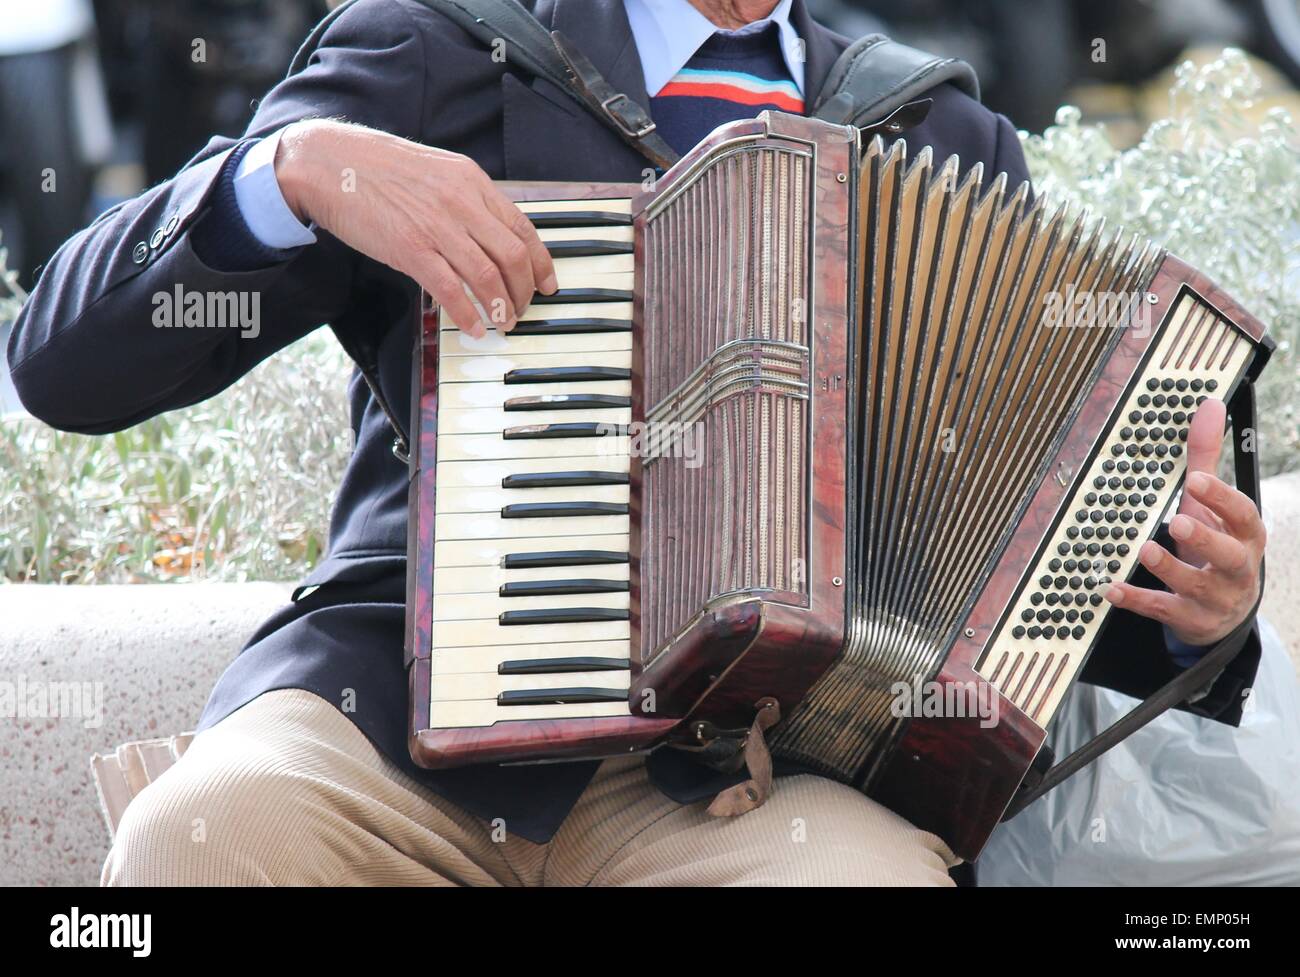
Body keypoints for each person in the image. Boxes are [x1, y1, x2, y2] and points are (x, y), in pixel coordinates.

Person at [7, 0, 1266, 886]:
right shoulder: (435, 53)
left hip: (756, 770)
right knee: (207, 834)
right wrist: (284, 173)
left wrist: (1194, 609)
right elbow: (65, 366)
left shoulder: (935, 135)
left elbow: (1001, 559)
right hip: (393, 714)